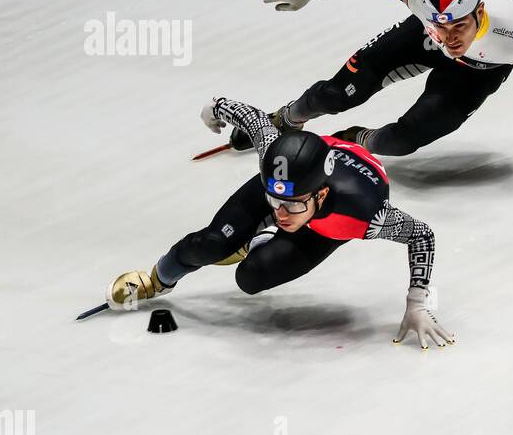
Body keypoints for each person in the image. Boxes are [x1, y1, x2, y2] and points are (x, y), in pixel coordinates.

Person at [105, 97, 453, 349]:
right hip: (293, 187)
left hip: (325, 225)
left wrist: (417, 303)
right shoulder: (276, 158)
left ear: (320, 195)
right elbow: (255, 119)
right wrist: (214, 108)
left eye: (292, 205)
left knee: (251, 278)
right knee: (210, 243)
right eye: (276, 204)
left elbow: (421, 235)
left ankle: (254, 242)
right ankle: (157, 279)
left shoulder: (366, 214)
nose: (281, 212)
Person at [229, 0, 513, 182]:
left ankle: (347, 140)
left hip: (480, 68)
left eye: (458, 27)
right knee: (335, 94)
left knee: (401, 141)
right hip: (419, 37)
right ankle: (284, 119)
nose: (449, 39)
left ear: (480, 14)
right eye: (441, 25)